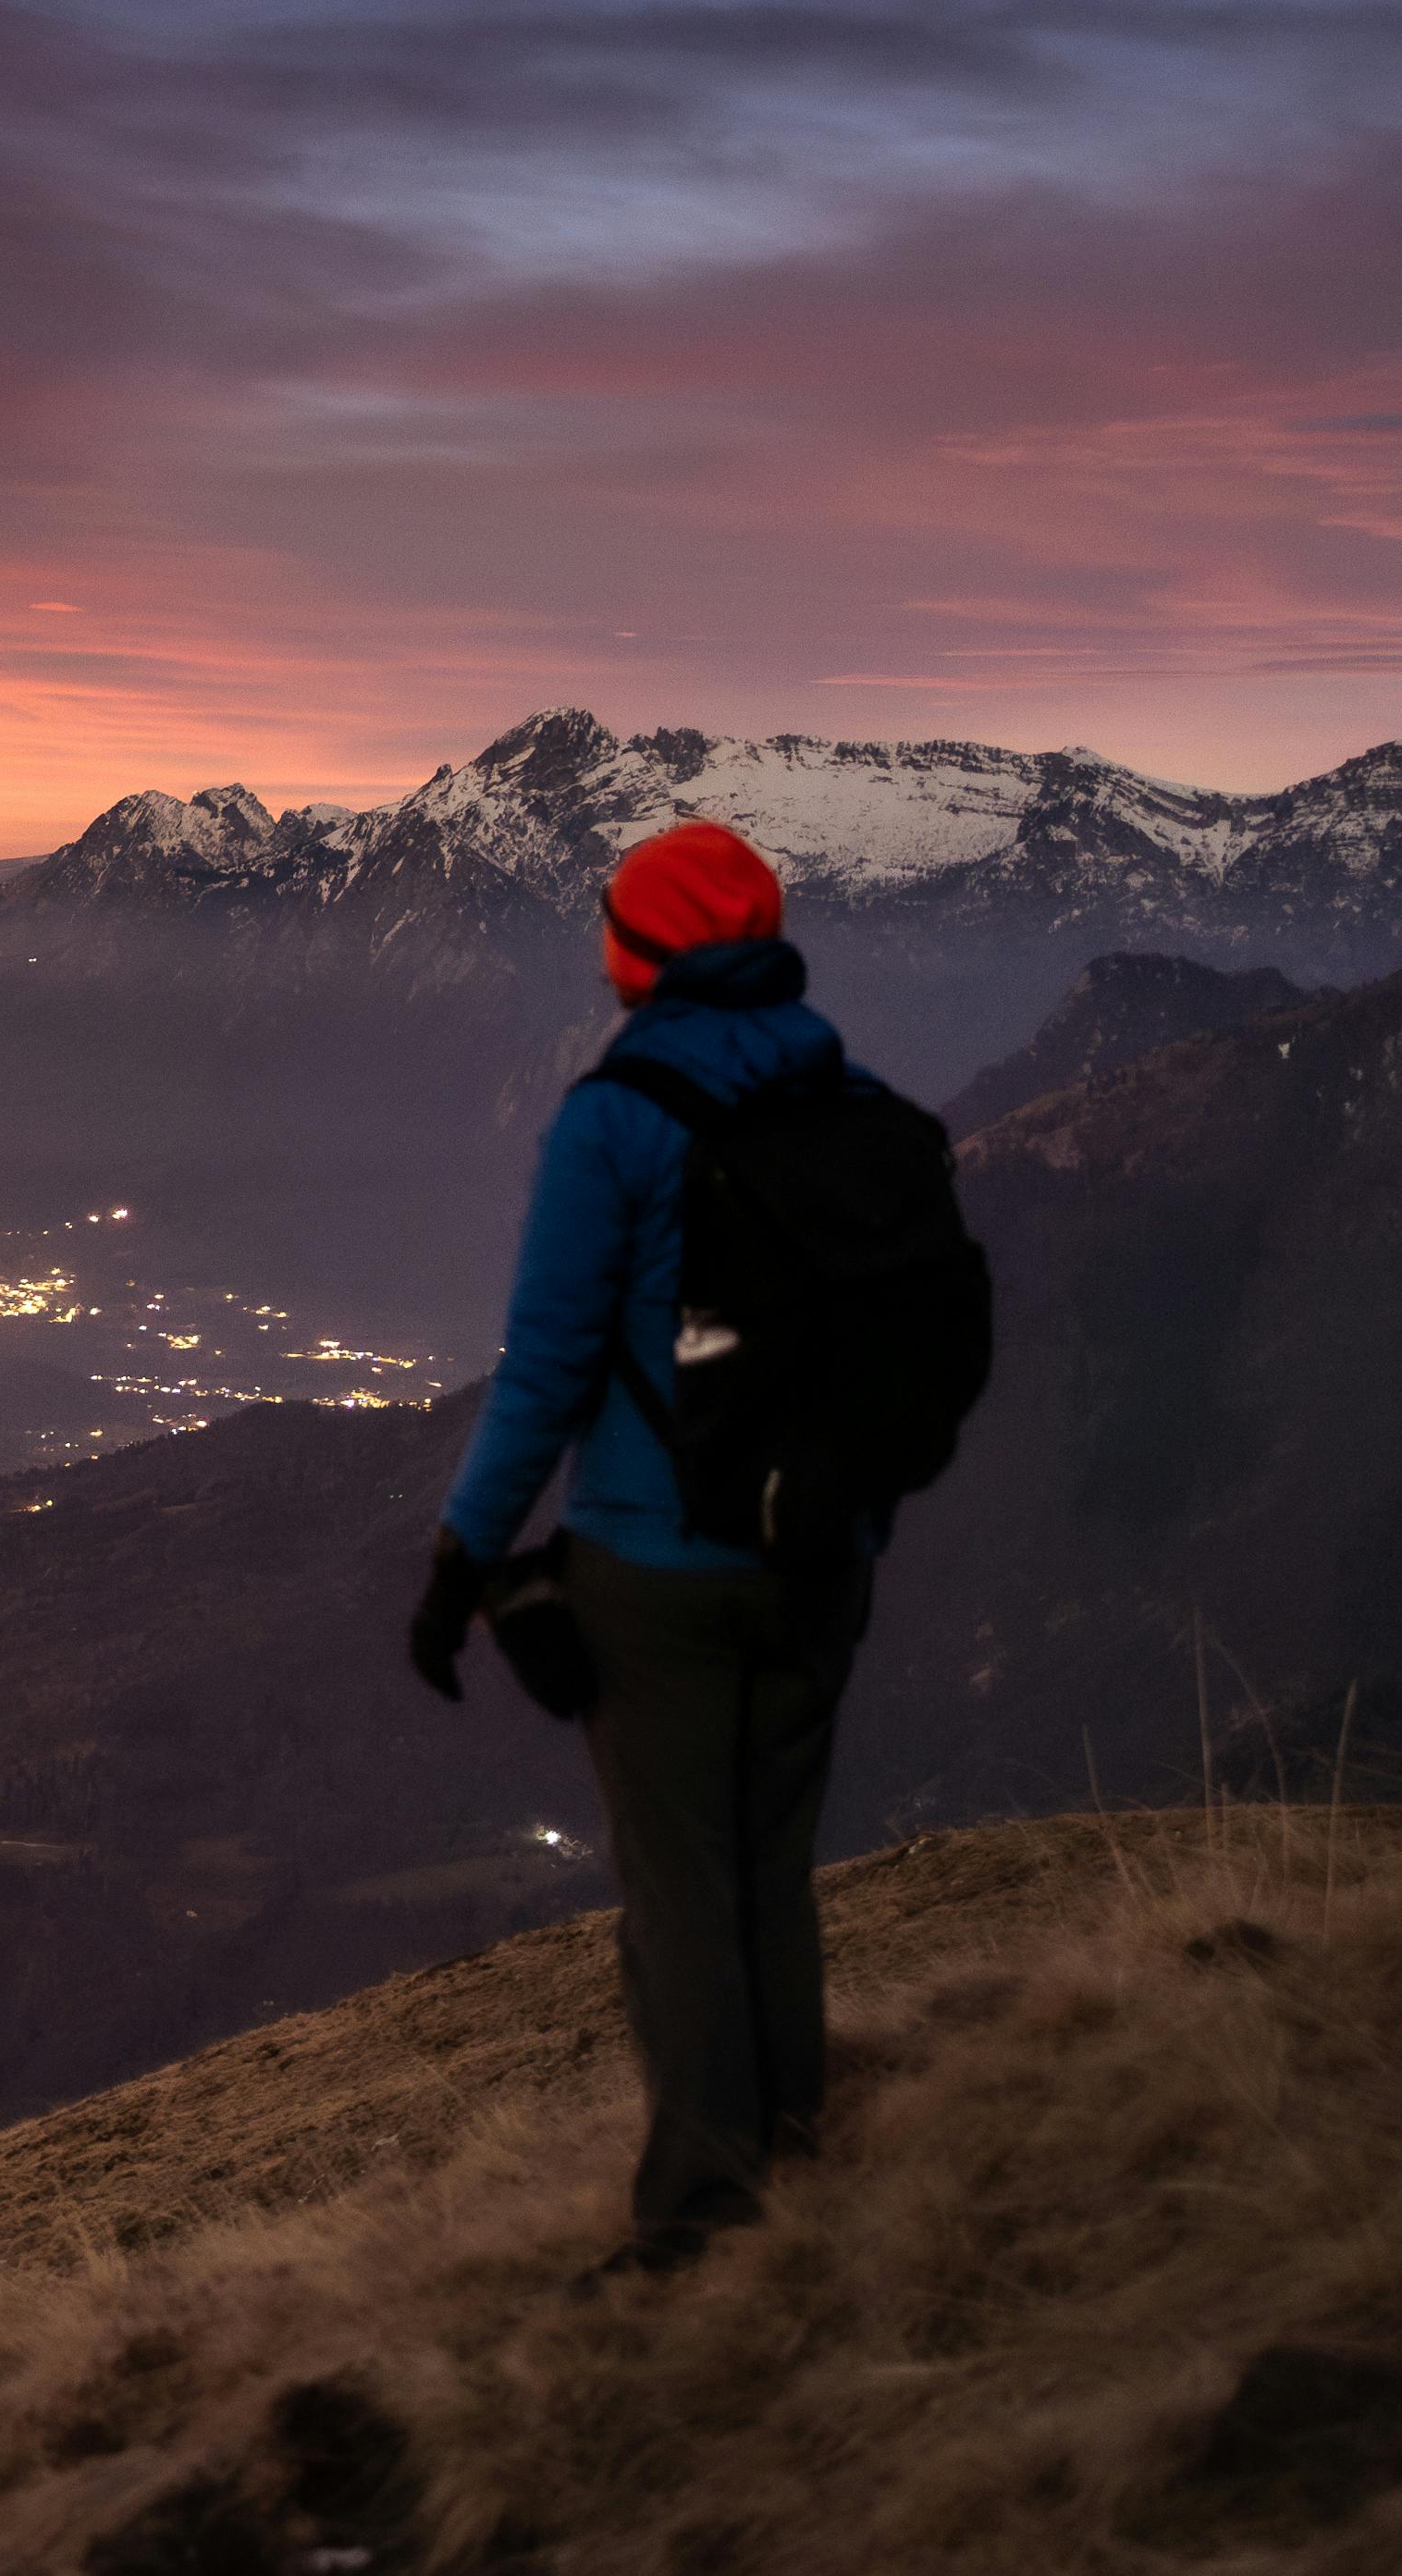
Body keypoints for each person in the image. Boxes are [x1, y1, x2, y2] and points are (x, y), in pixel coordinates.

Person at [411, 819, 892, 2277]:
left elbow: (549, 1363)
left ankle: (698, 2216)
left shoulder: (614, 1118)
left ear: (641, 950)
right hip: (815, 1560)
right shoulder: (850, 1098)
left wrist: (465, 1559)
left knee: (679, 1895)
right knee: (767, 1872)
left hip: (656, 1573)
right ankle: (794, 2148)